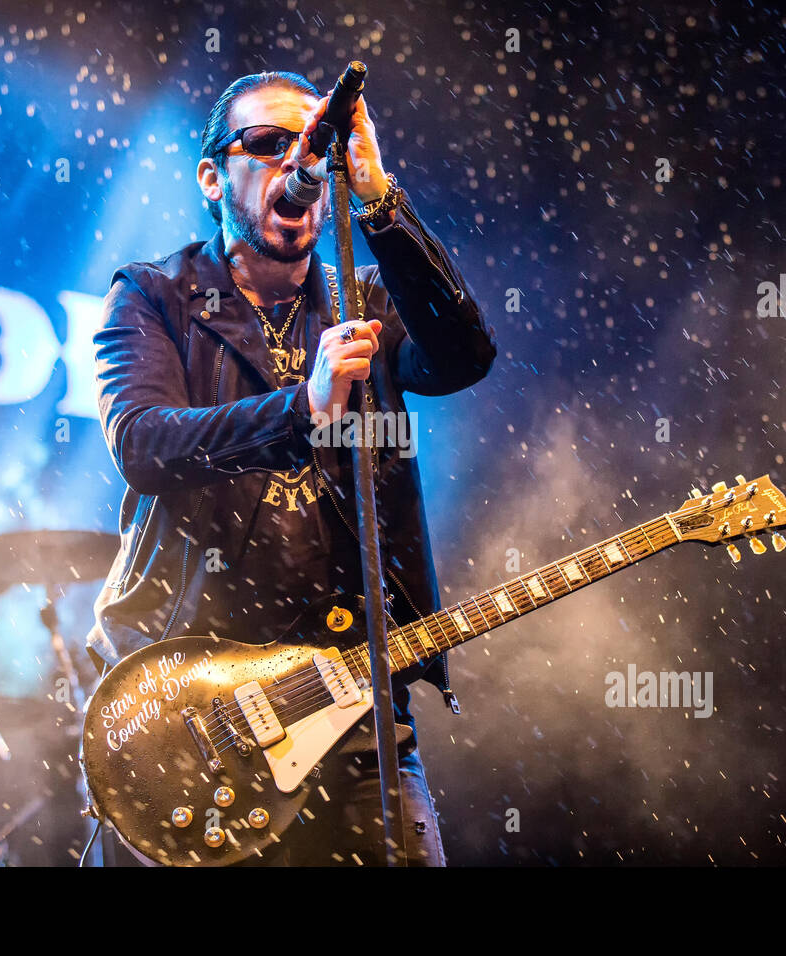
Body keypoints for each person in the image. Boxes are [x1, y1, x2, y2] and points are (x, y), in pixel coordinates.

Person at [85, 70, 496, 865]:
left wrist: (376, 191)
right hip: (195, 719)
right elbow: (141, 443)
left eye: (311, 145)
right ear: (212, 176)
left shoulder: (364, 301)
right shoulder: (152, 297)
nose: (295, 163)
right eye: (269, 145)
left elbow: (465, 354)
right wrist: (299, 411)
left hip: (355, 716)